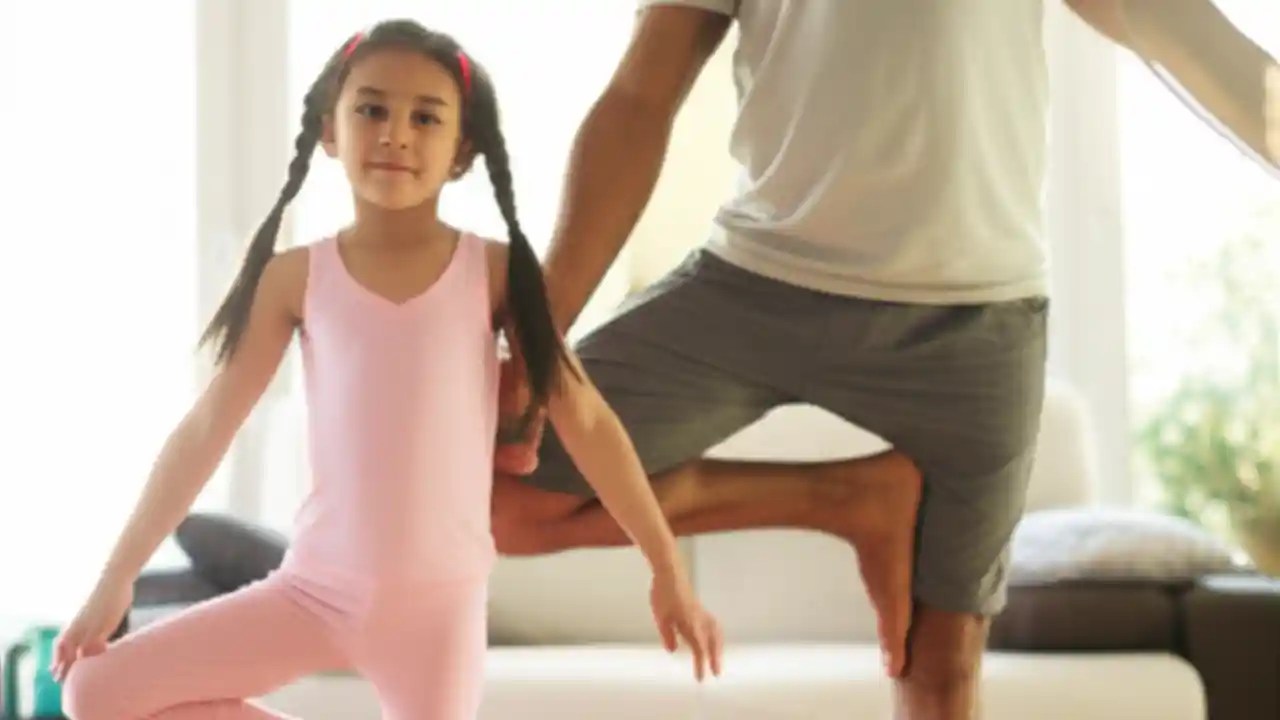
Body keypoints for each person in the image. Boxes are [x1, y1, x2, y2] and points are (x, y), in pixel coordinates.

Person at [490, 1, 1280, 718]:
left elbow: (1181, 34)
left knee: (937, 671)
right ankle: (847, 498)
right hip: (754, 284)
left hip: (976, 316)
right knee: (502, 493)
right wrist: (540, 323)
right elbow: (639, 96)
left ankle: (860, 501)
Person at [49, 19, 722, 720]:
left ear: (462, 150)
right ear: (331, 131)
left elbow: (585, 418)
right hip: (314, 592)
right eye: (371, 108)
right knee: (94, 694)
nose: (396, 133)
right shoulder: (295, 278)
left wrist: (667, 568)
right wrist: (115, 581)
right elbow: (208, 428)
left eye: (425, 117)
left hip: (439, 613)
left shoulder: (494, 273)